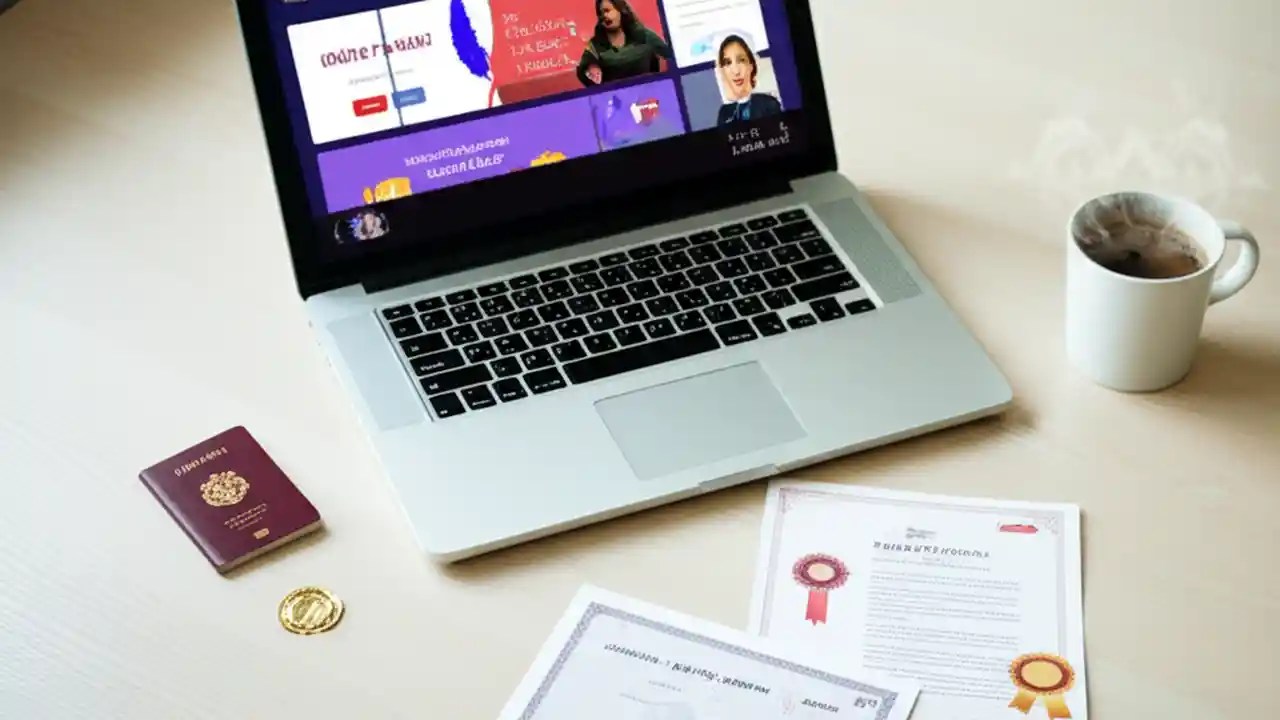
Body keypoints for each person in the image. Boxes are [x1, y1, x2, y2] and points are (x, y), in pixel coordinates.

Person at [576, 0, 673, 87]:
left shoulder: (643, 35)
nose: (604, 16)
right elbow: (582, 72)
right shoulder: (595, 45)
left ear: (620, 11)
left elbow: (669, 55)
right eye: (600, 13)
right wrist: (592, 71)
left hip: (649, 94)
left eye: (607, 11)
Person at [715, 34, 783, 125]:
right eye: (728, 63)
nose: (736, 71)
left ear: (751, 65)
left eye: (741, 60)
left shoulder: (769, 104)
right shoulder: (724, 113)